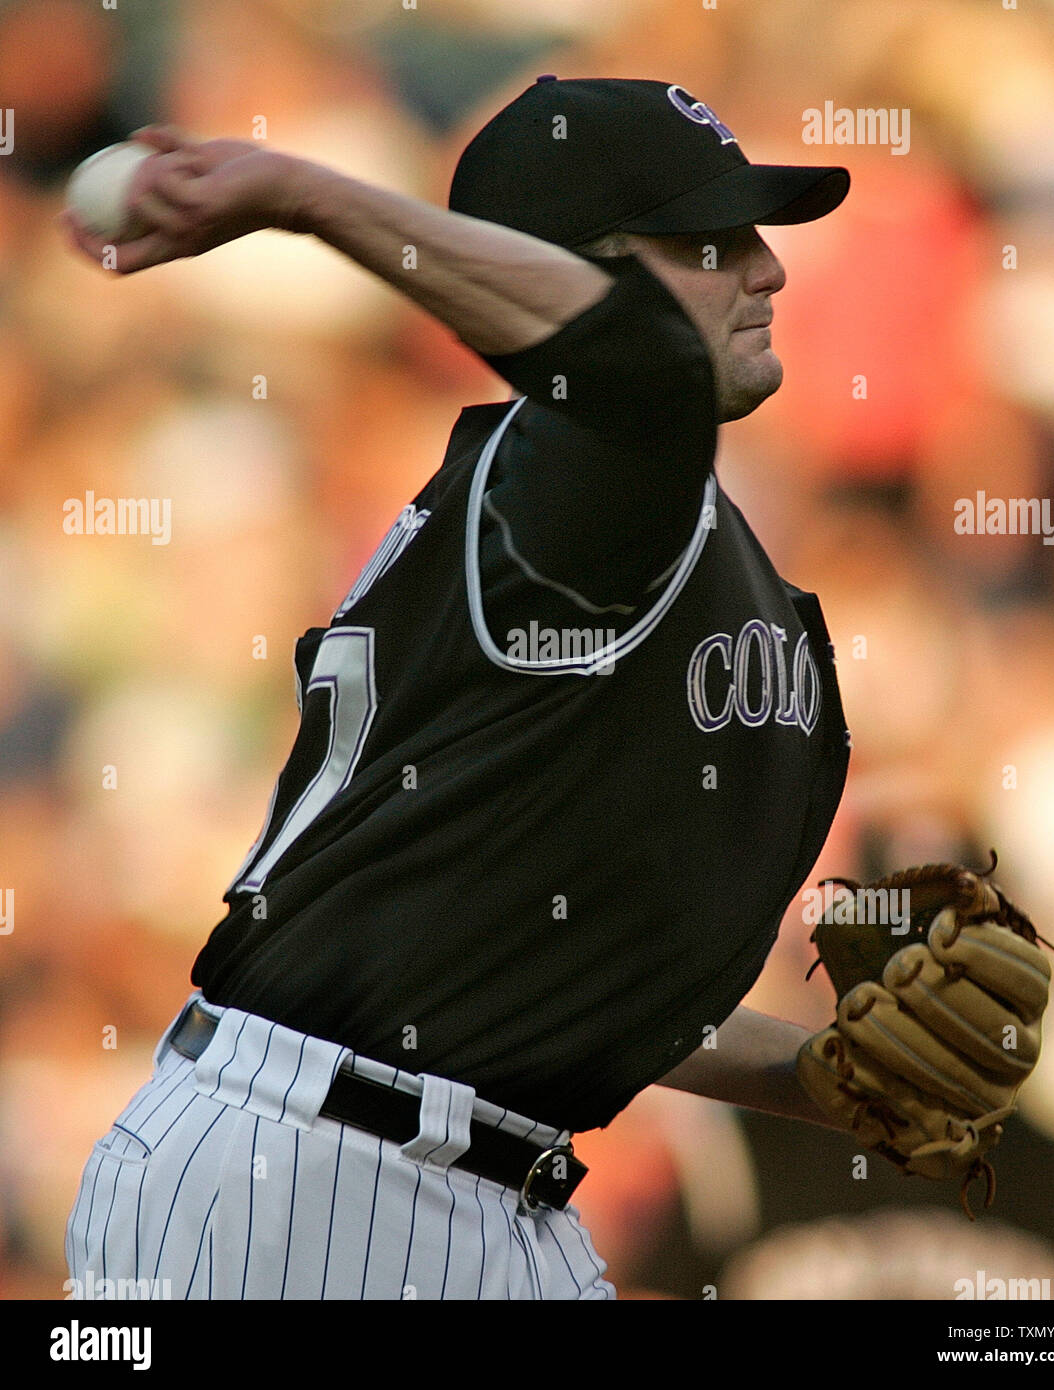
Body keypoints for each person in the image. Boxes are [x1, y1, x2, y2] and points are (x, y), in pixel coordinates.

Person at [62, 76, 852, 1301]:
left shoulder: (651, 531)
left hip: (459, 1185)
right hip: (312, 1184)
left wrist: (815, 1077)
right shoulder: (577, 499)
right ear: (577, 279)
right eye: (707, 241)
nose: (767, 270)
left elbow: (543, 974)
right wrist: (297, 193)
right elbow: (630, 363)